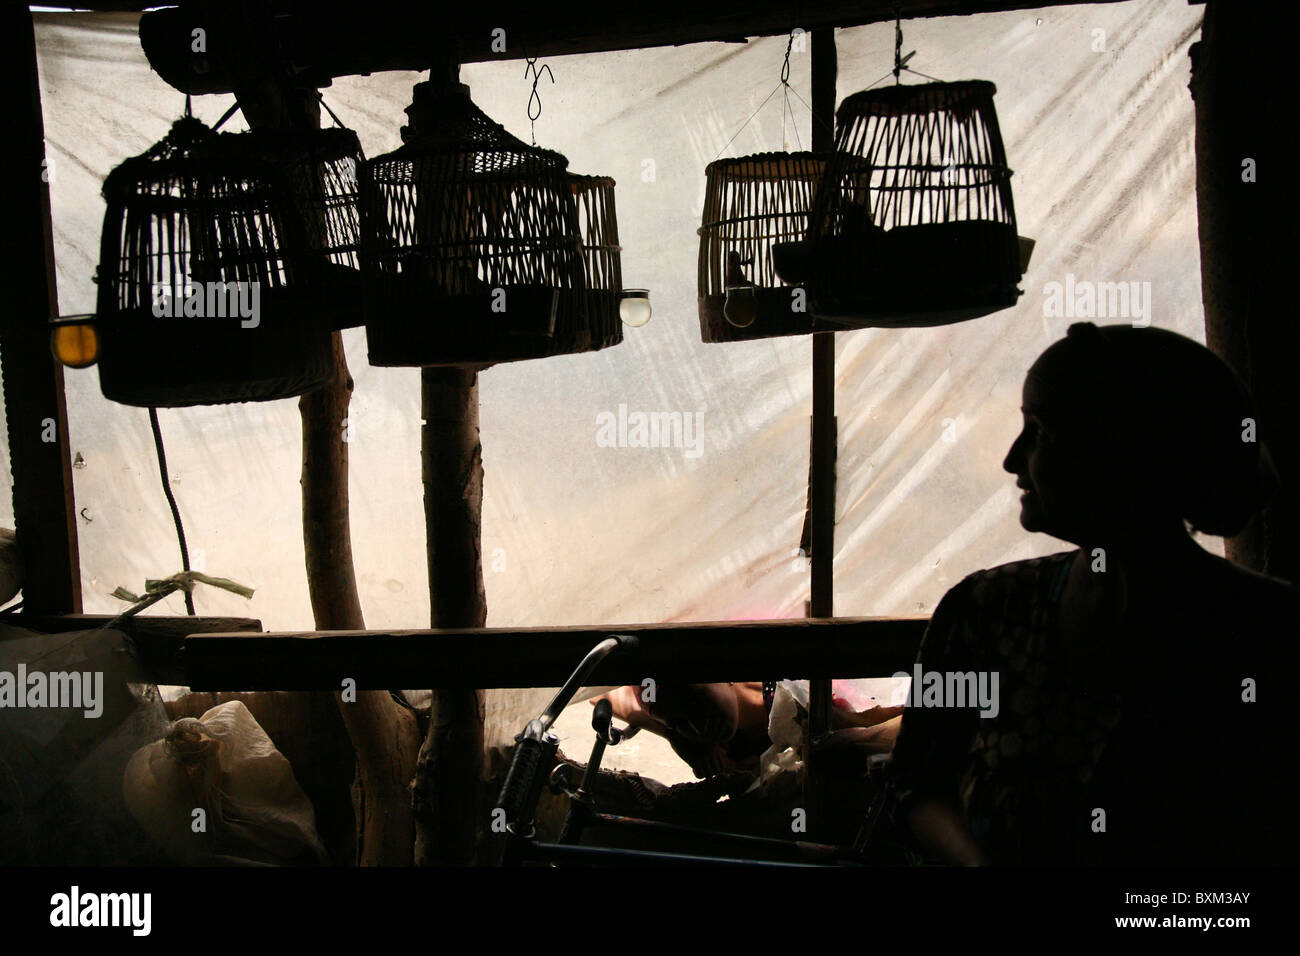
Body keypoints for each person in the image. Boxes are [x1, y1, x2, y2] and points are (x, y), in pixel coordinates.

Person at [889, 321, 1300, 866]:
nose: (1013, 459)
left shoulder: (1272, 635)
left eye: (1043, 432)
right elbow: (918, 786)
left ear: (1127, 455)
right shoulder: (982, 613)